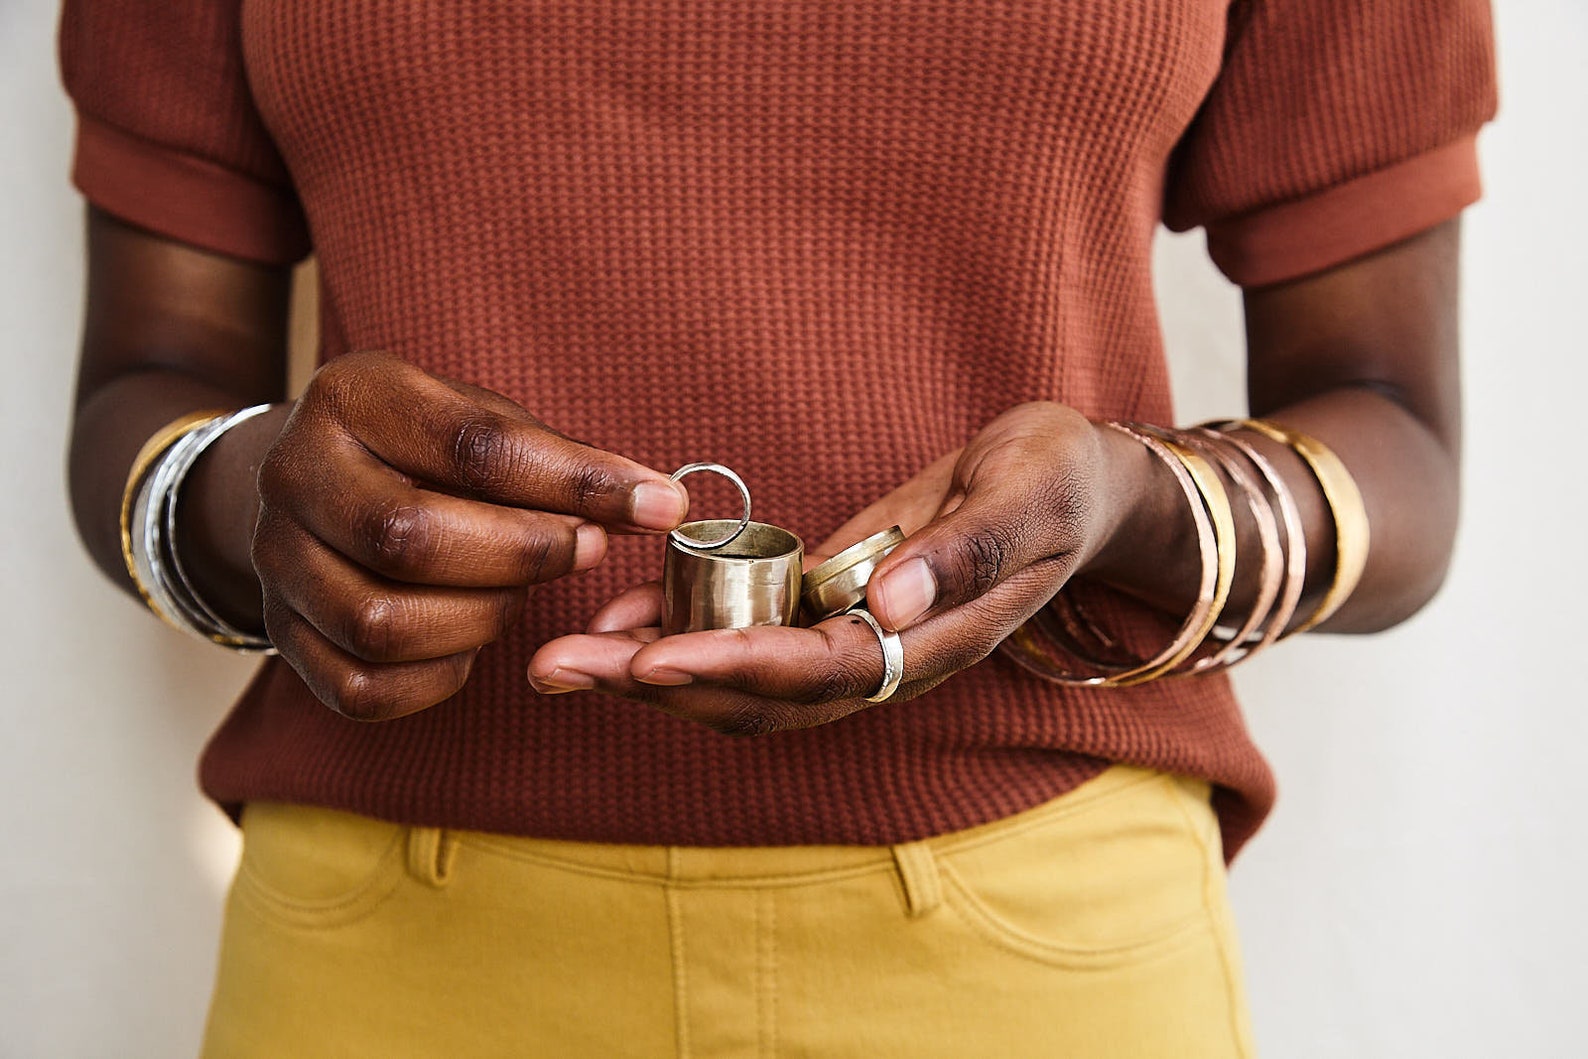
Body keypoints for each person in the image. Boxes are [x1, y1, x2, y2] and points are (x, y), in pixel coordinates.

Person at [60, 1, 1496, 1055]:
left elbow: (1394, 443)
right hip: (385, 956)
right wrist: (261, 510)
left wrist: (1128, 502)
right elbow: (147, 390)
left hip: (1038, 946)